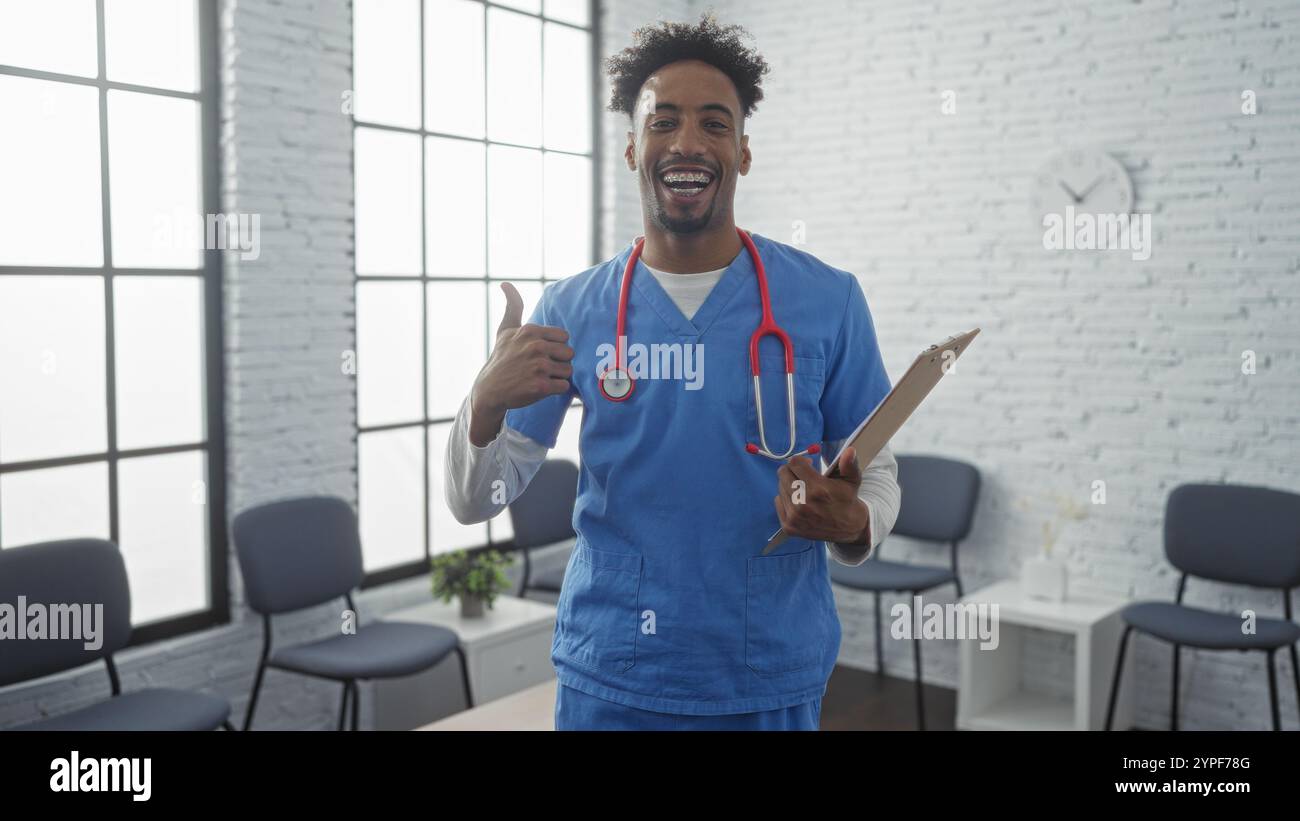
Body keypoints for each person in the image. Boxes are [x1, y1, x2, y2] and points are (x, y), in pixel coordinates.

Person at [445, 15, 900, 730]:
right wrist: (484, 402)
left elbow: (875, 469)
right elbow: (479, 500)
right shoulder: (570, 308)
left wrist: (856, 520)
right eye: (664, 122)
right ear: (632, 146)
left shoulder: (827, 299)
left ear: (743, 152)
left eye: (715, 125)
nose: (688, 142)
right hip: (615, 674)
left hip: (766, 670)